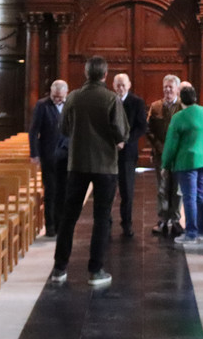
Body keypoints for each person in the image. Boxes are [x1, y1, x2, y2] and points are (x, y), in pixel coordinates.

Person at [51, 55, 129, 287]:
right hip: (105, 165)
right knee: (101, 218)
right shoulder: (110, 99)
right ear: (105, 75)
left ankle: (59, 267)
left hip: (77, 164)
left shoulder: (73, 97)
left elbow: (63, 128)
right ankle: (95, 270)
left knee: (69, 216)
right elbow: (122, 133)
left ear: (86, 74)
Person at [160, 84, 203, 245]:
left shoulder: (179, 117)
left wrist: (166, 164)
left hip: (187, 161)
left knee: (189, 197)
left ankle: (191, 233)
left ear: (181, 99)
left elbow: (171, 144)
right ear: (195, 97)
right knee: (200, 195)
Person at [28, 79, 69, 237]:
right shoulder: (42, 105)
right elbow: (34, 131)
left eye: (59, 96)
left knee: (64, 191)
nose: (57, 99)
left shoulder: (70, 104)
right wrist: (34, 154)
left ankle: (61, 225)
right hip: (48, 154)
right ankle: (50, 225)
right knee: (51, 191)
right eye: (54, 96)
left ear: (65, 93)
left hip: (66, 154)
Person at [146, 74, 184, 236]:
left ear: (177, 89)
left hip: (178, 155)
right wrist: (158, 146)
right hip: (160, 153)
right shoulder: (155, 107)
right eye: (165, 87)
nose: (167, 90)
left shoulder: (183, 107)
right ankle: (162, 219)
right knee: (162, 187)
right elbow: (148, 129)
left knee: (176, 189)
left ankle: (175, 220)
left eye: (170, 87)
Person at [112, 73, 148, 237]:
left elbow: (141, 127)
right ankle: (106, 223)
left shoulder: (137, 102)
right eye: (117, 85)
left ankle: (126, 224)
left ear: (129, 85)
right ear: (113, 85)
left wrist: (125, 141)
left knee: (127, 191)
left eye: (123, 85)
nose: (120, 88)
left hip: (127, 152)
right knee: (108, 190)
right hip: (109, 153)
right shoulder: (109, 100)